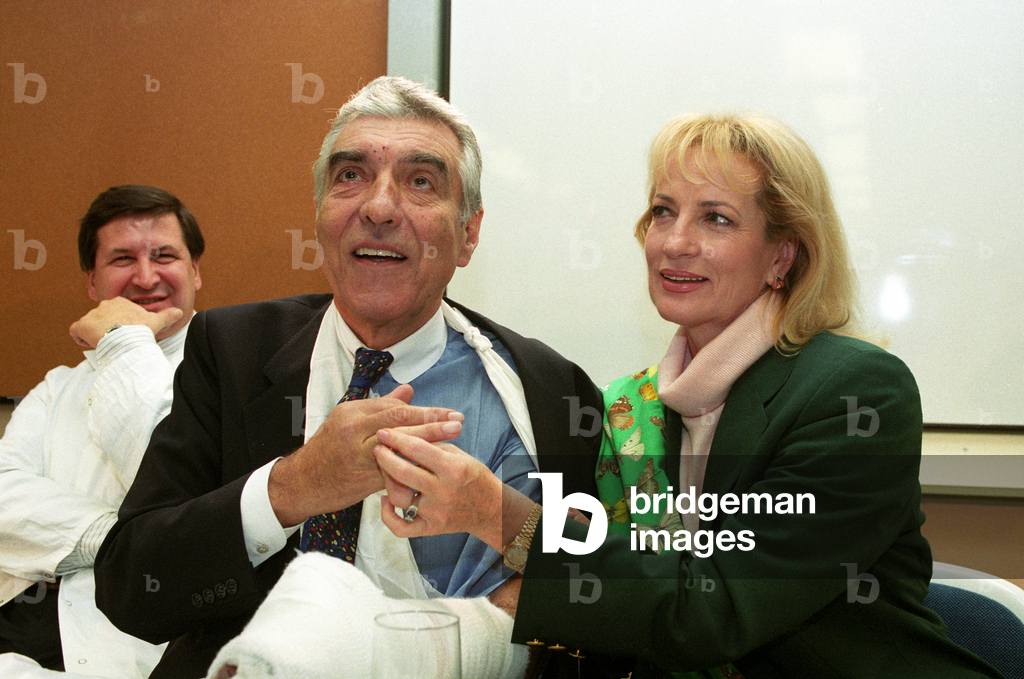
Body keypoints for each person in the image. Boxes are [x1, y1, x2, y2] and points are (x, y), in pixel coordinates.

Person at [373, 113, 1007, 678]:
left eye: (717, 218)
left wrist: (494, 512)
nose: (675, 242)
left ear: (781, 256)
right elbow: (605, 579)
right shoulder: (622, 408)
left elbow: (713, 606)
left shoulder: (855, 393)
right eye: (662, 211)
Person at [93, 76, 602, 679]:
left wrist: (502, 552)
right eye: (350, 176)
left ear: (468, 234)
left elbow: (593, 587)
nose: (379, 208)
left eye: (421, 181)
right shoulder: (229, 351)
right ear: (320, 216)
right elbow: (131, 590)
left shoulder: (548, 389)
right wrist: (289, 489)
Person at [0, 185, 204, 678]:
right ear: (93, 282)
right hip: (19, 618)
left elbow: (165, 481)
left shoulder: (230, 373)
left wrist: (121, 339)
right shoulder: (57, 387)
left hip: (133, 637)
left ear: (196, 270)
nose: (146, 276)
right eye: (122, 259)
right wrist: (117, 540)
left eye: (164, 255)